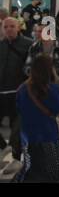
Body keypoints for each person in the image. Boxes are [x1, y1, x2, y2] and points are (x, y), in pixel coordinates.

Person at [13, 55, 59, 182]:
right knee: (55, 171)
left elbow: (18, 109)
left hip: (28, 137)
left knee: (31, 170)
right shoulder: (51, 88)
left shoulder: (22, 88)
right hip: (48, 135)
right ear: (50, 69)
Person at [0, 17, 31, 164]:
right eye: (5, 27)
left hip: (20, 93)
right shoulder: (1, 45)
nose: (8, 29)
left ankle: (16, 159)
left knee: (16, 129)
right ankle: (3, 147)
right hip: (2, 93)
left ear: (18, 27)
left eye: (12, 26)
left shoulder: (29, 44)